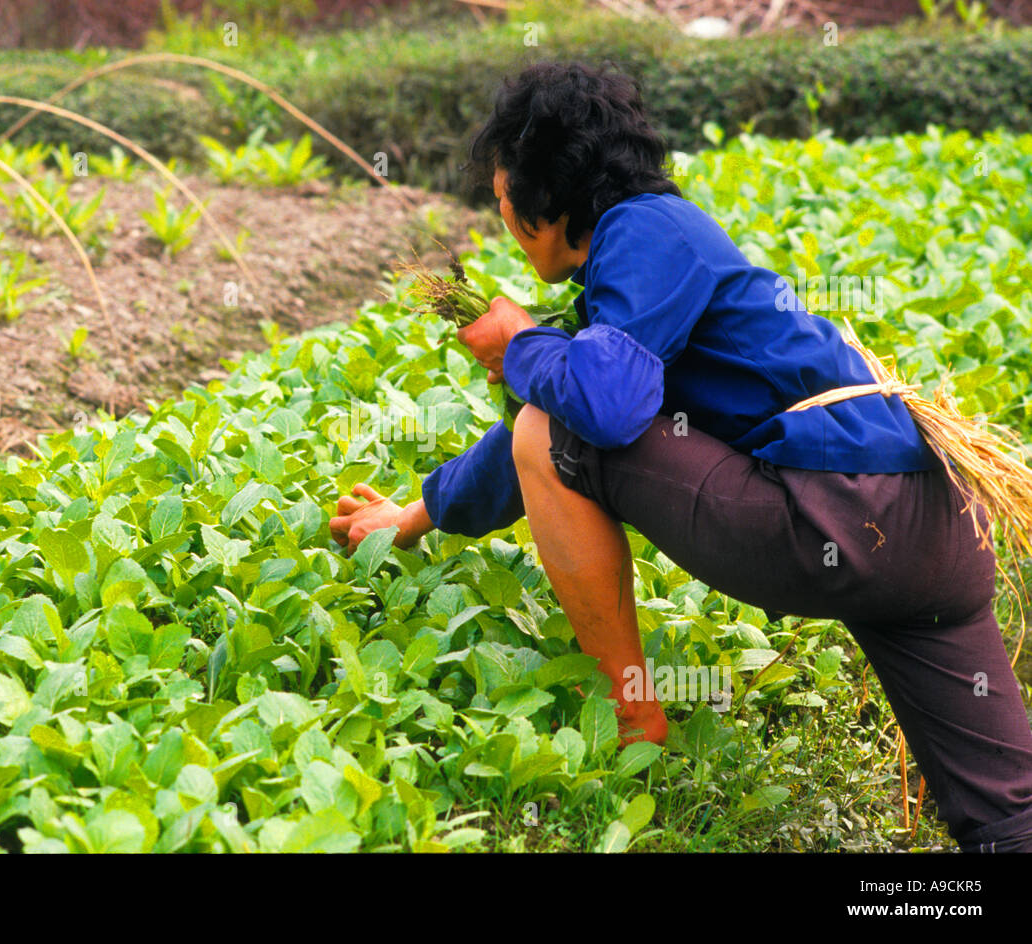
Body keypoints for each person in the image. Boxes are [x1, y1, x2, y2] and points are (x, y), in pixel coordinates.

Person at [329, 61, 1032, 852]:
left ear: (547, 201)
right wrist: (415, 515)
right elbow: (566, 415)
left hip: (839, 520)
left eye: (503, 204)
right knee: (1009, 818)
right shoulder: (652, 257)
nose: (506, 224)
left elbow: (590, 414)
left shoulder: (643, 231)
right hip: (932, 533)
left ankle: (632, 718)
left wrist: (525, 342)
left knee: (547, 429)